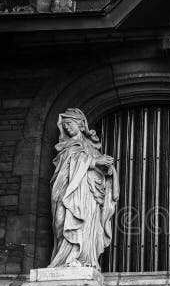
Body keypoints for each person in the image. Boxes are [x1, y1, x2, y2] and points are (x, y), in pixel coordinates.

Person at [49, 108, 119, 269]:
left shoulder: (93, 149)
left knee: (87, 224)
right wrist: (95, 162)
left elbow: (99, 174)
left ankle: (83, 259)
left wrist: (108, 169)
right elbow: (67, 165)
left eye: (69, 124)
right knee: (61, 221)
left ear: (80, 125)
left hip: (88, 194)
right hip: (68, 192)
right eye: (64, 125)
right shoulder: (66, 147)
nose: (66, 128)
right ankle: (65, 258)